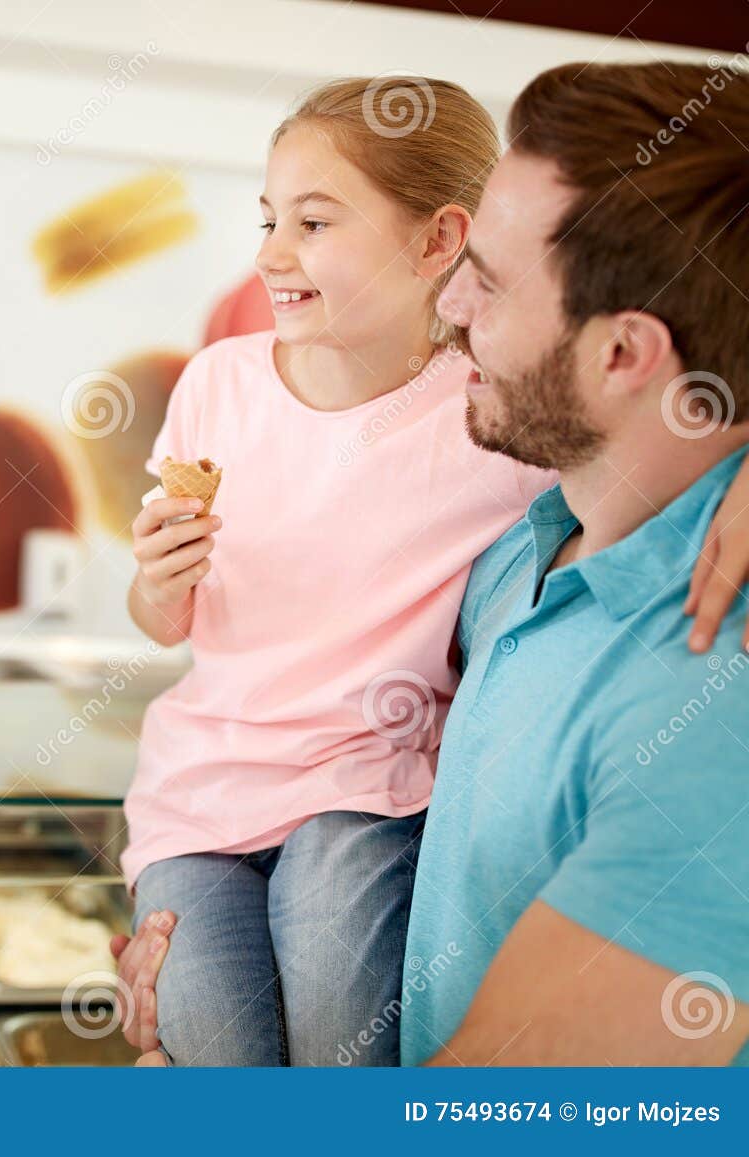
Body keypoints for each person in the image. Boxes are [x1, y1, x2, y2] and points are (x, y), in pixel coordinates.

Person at [115, 60, 749, 1067]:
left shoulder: (708, 693)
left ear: (624, 354)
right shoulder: (523, 553)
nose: (449, 307)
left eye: (485, 280)